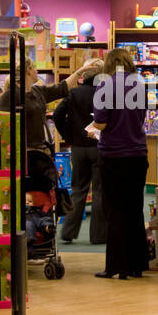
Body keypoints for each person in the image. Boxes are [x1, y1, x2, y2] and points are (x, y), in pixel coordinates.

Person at [87, 48, 149, 279]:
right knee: (135, 209)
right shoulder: (139, 83)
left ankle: (116, 266)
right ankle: (136, 264)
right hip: (138, 154)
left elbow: (101, 123)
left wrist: (95, 128)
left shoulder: (106, 84)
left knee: (114, 210)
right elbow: (141, 117)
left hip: (113, 155)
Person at [8, 56, 103, 198]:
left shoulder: (40, 92)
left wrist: (67, 135)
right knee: (99, 191)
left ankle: (58, 220)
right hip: (29, 153)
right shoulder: (13, 95)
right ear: (28, 71)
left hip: (55, 151)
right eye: (34, 67)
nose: (37, 70)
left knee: (65, 192)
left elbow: (60, 94)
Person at [53, 70, 106, 245]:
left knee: (78, 190)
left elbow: (57, 115)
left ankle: (68, 232)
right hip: (99, 147)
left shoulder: (74, 93)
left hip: (77, 147)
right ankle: (98, 235)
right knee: (99, 191)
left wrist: (67, 136)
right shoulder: (104, 93)